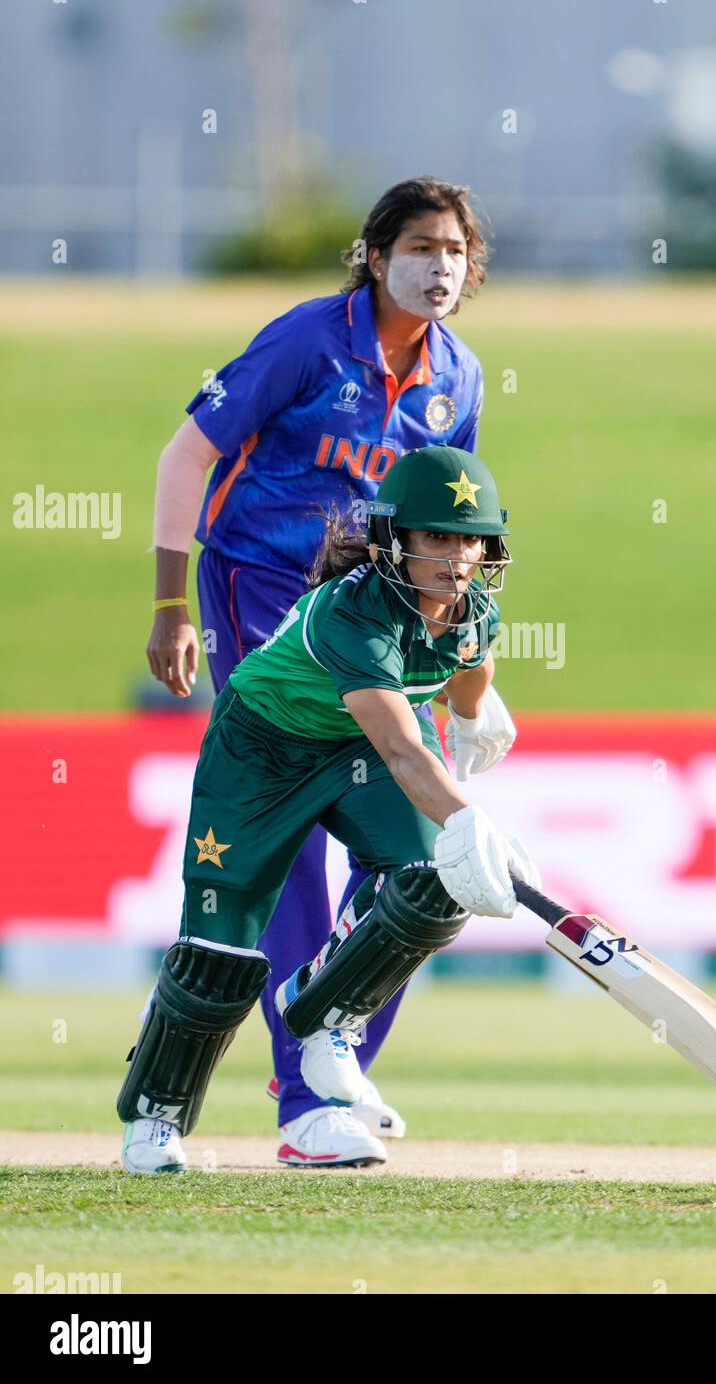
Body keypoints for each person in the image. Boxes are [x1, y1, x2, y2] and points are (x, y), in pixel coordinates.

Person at [145, 176, 494, 1165]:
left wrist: (464, 675)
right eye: (420, 248)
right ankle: (304, 1104)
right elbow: (185, 459)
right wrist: (171, 607)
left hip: (374, 622)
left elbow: (447, 535)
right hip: (258, 594)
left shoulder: (459, 379)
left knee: (421, 860)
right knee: (289, 829)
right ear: (376, 256)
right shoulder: (307, 341)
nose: (441, 267)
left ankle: (326, 1041)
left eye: (457, 251)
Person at [120, 445, 537, 1173]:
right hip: (261, 752)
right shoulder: (355, 615)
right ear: (392, 541)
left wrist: (473, 721)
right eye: (436, 536)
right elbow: (407, 752)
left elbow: (470, 666)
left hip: (356, 751)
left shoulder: (473, 612)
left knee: (430, 881)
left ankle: (325, 1025)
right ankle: (155, 1120)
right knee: (219, 953)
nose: (458, 556)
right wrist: (471, 820)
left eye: (470, 538)